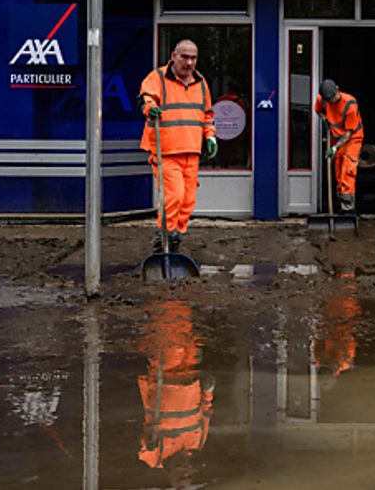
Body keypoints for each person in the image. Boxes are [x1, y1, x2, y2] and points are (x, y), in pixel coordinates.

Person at [139, 40, 217, 254]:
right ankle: (163, 238)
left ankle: (175, 239)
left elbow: (207, 114)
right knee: (175, 196)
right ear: (173, 56)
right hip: (166, 150)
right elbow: (146, 98)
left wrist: (210, 137)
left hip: (191, 151)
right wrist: (150, 109)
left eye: (193, 58)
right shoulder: (158, 77)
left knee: (188, 201)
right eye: (184, 57)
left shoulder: (201, 83)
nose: (189, 62)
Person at [137, 299, 214, 488]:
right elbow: (205, 411)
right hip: (191, 372)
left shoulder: (153, 458)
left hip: (166, 373)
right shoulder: (198, 443)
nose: (185, 473)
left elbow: (143, 440)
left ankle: (166, 295)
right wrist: (208, 392)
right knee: (187, 332)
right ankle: (182, 293)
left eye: (181, 480)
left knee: (171, 331)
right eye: (189, 477)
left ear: (170, 481)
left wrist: (150, 443)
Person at [314, 79, 364, 213]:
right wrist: (324, 119)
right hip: (336, 138)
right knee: (338, 171)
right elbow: (318, 110)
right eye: (329, 100)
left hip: (353, 138)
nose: (332, 101)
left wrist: (334, 148)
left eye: (334, 98)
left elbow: (348, 134)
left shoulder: (350, 104)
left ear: (337, 88)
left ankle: (348, 209)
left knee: (347, 171)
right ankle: (339, 206)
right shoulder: (323, 99)